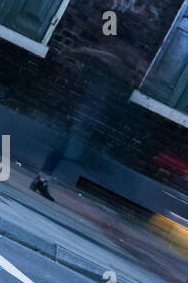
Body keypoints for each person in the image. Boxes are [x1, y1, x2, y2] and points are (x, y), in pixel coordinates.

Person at [29, 39, 143, 201]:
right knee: (67, 150)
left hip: (87, 119)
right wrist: (75, 51)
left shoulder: (112, 78)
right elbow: (106, 57)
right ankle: (41, 180)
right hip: (83, 118)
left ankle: (41, 180)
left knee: (66, 149)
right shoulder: (105, 71)